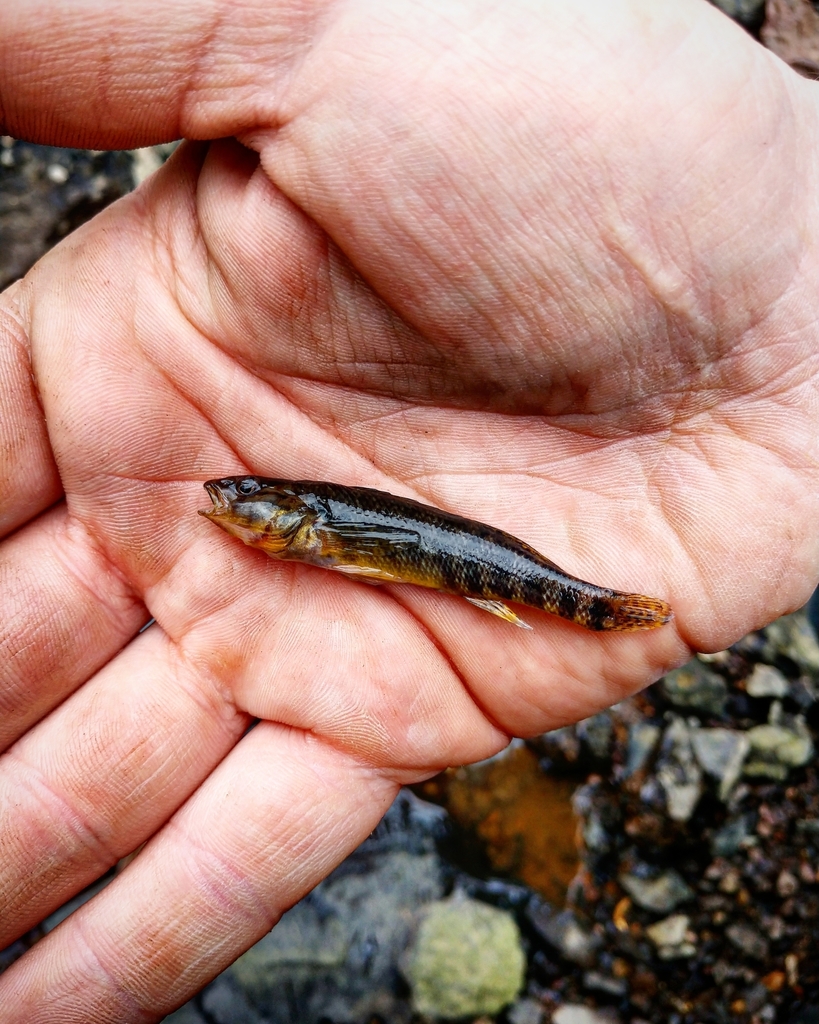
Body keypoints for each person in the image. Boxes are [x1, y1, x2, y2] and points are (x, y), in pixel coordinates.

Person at [0, 0, 817, 1018]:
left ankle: (595, 605)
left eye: (246, 501)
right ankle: (590, 604)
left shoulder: (308, 532)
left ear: (288, 522)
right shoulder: (302, 532)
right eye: (242, 501)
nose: (231, 505)